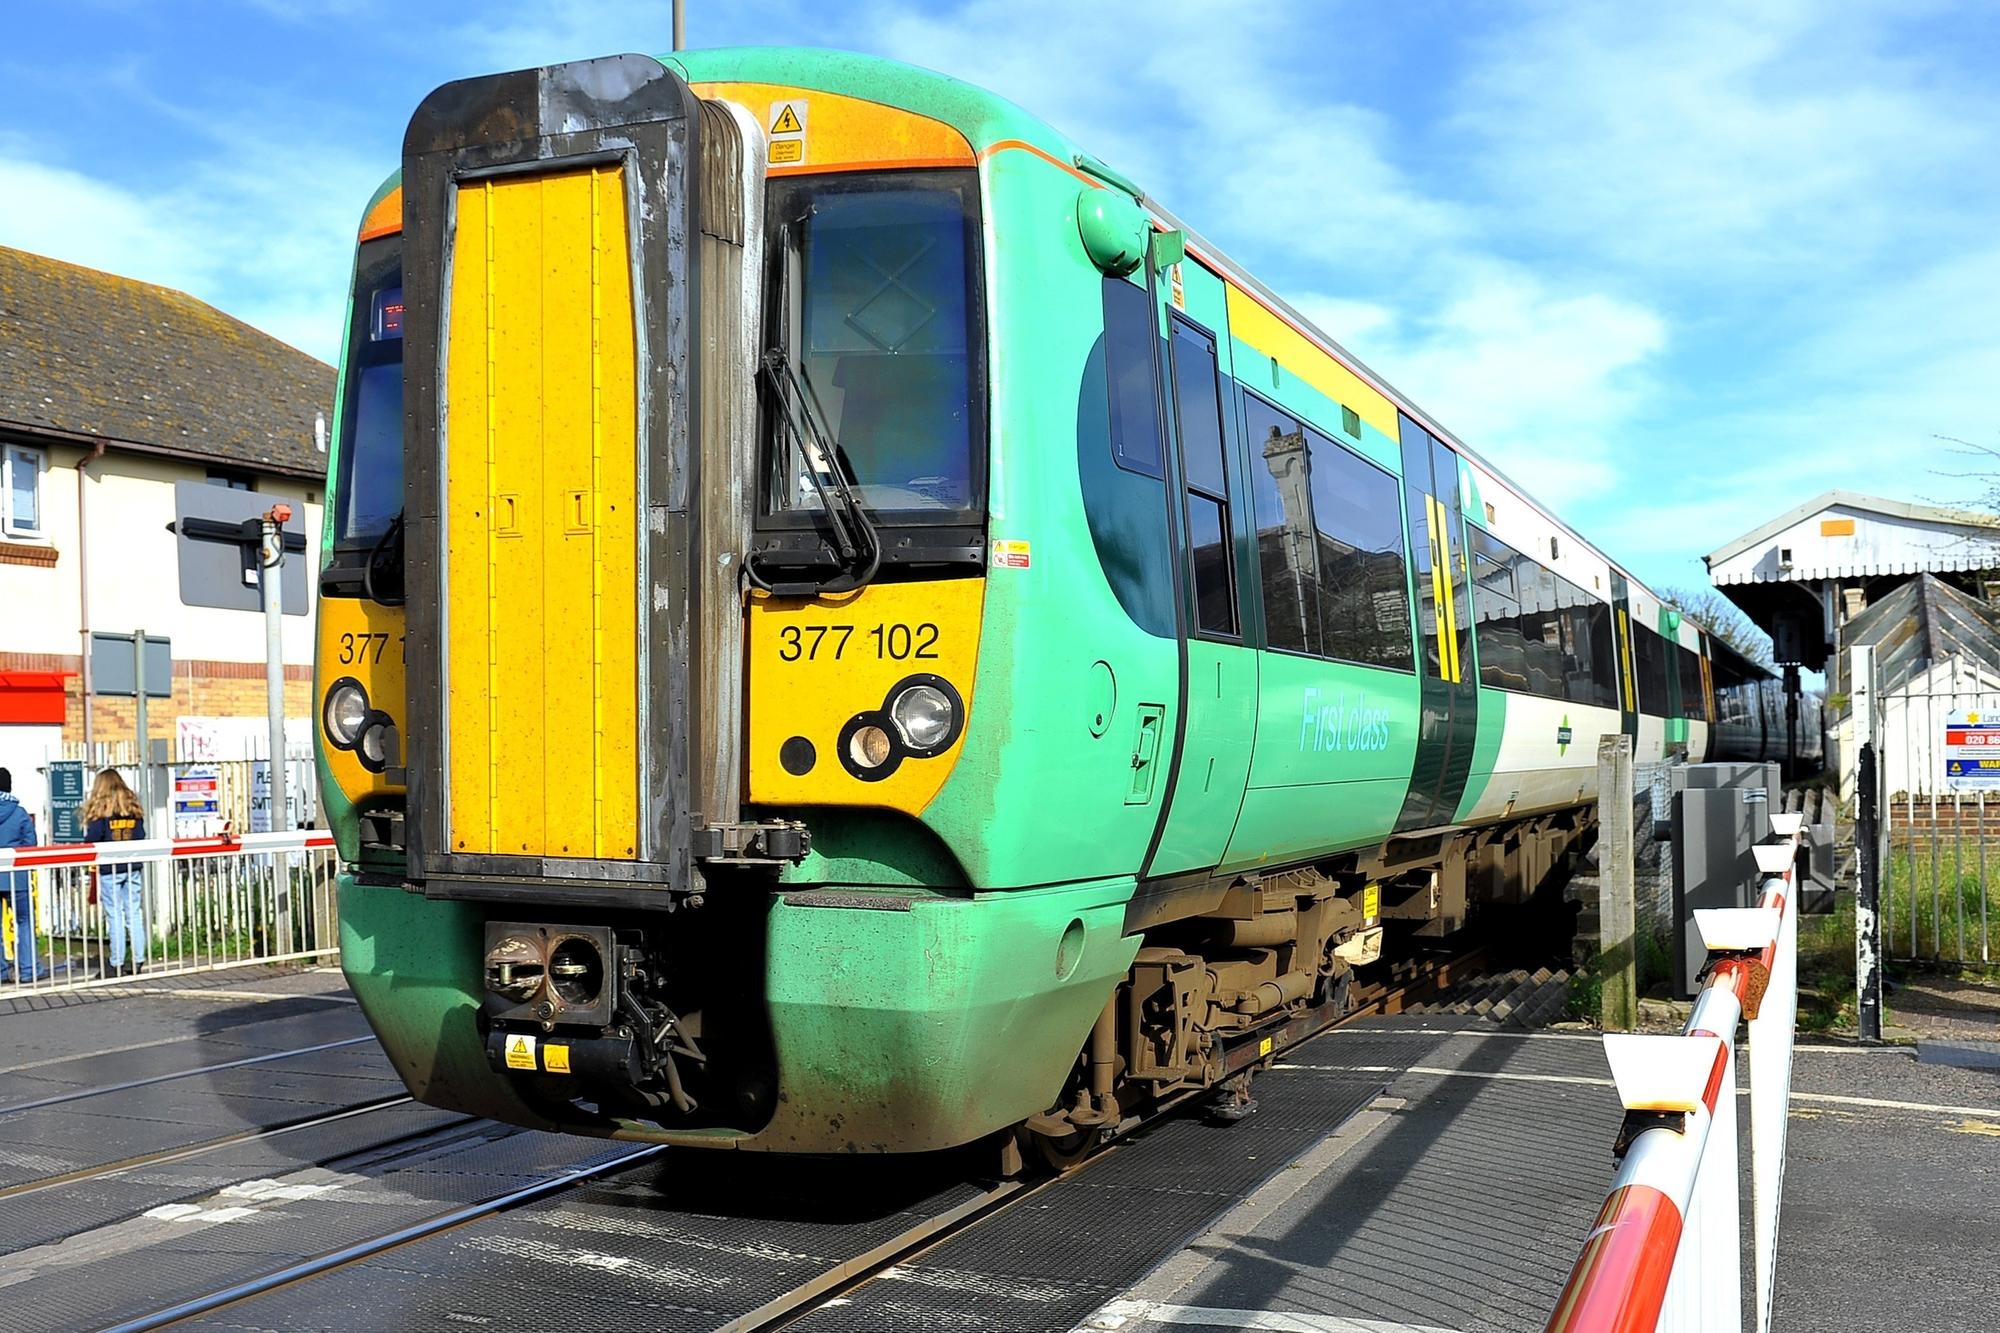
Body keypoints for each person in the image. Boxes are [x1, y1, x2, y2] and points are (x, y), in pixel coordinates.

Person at [82, 768, 148, 978]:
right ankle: (138, 960)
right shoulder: (133, 808)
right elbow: (141, 835)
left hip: (110, 868)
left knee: (115, 915)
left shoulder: (101, 811)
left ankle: (116, 962)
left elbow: (93, 838)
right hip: (132, 865)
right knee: (134, 913)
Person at [0, 767, 43, 984]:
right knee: (25, 921)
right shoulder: (19, 813)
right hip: (17, 877)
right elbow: (31, 845)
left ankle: (0, 971)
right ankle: (29, 970)